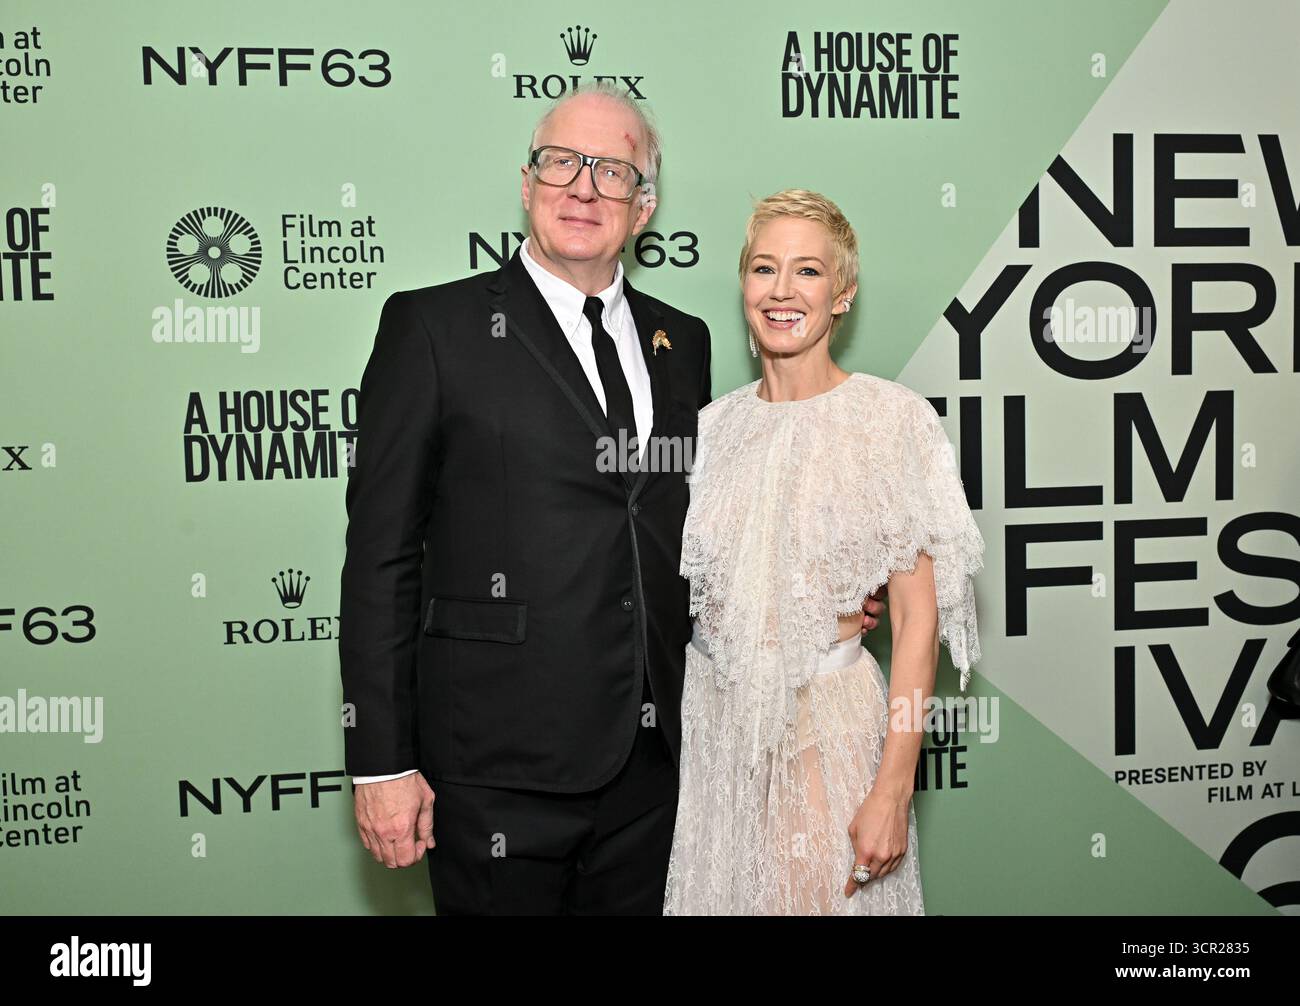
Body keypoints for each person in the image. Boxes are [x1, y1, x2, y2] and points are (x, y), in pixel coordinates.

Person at [338, 84, 886, 915]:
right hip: (495, 772)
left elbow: (696, 531)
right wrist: (383, 762)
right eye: (561, 162)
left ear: (644, 207)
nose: (583, 188)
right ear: (527, 183)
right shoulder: (434, 329)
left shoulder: (684, 341)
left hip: (657, 768)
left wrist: (820, 598)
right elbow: (381, 556)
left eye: (612, 171)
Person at [663, 189, 986, 915]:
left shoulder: (890, 421)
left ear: (843, 293)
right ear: (743, 282)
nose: (781, 290)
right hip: (715, 731)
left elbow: (916, 624)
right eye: (764, 268)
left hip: (828, 726)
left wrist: (893, 789)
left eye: (807, 271)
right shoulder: (710, 430)